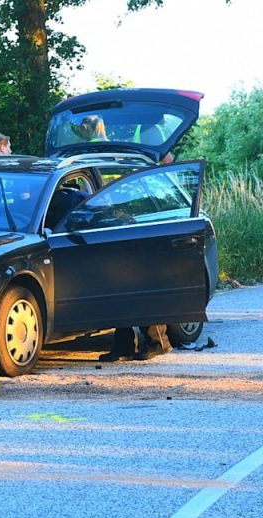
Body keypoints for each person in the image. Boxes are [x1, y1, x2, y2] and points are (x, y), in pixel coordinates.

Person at [100, 151, 176, 362]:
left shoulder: (142, 191)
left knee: (143, 292)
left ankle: (158, 342)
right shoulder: (113, 200)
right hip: (118, 246)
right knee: (119, 294)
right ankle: (124, 344)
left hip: (141, 241)